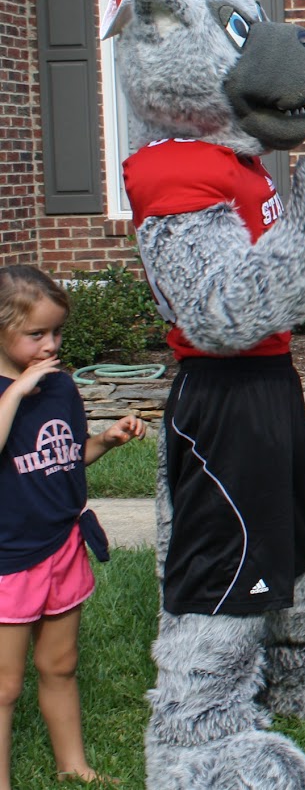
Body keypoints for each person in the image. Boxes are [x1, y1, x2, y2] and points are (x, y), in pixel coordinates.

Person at [0, 266, 144, 787]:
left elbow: (62, 457)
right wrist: (16, 392)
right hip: (10, 559)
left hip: (63, 546)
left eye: (56, 332)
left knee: (60, 664)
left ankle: (73, 765)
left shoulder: (60, 388)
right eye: (35, 334)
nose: (50, 344)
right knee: (5, 685)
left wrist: (104, 441)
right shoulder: (10, 392)